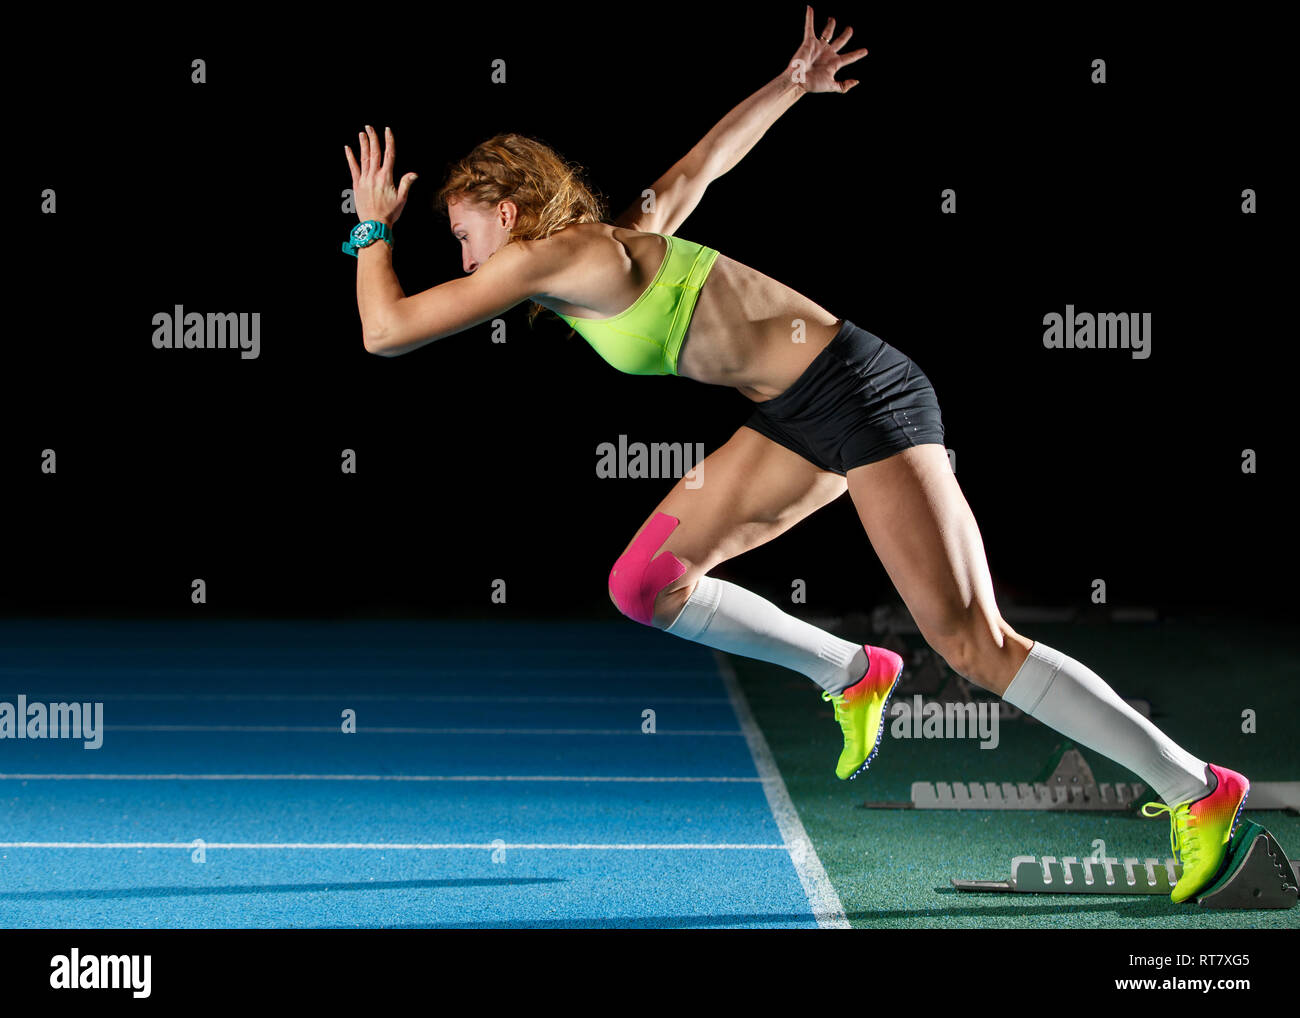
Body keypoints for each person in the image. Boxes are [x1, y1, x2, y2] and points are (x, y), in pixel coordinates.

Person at [341, 6, 1248, 904]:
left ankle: (1196, 788)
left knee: (972, 640)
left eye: (462, 236)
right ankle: (851, 672)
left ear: (509, 213)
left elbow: (386, 333)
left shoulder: (545, 256)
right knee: (645, 583)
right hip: (789, 414)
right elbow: (703, 163)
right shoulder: (610, 242)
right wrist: (791, 85)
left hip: (863, 396)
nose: (462, 261)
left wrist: (370, 227)